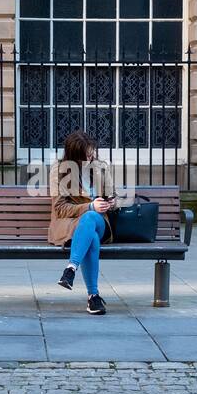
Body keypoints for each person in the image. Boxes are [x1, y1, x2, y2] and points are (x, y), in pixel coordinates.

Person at [49, 131, 117, 315]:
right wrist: (90, 206)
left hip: (100, 222)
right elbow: (60, 209)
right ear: (74, 156)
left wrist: (110, 203)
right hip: (70, 226)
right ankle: (93, 297)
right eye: (86, 155)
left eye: (92, 152)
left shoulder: (101, 167)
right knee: (91, 236)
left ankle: (71, 268)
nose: (91, 157)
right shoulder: (60, 170)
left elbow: (113, 196)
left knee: (91, 219)